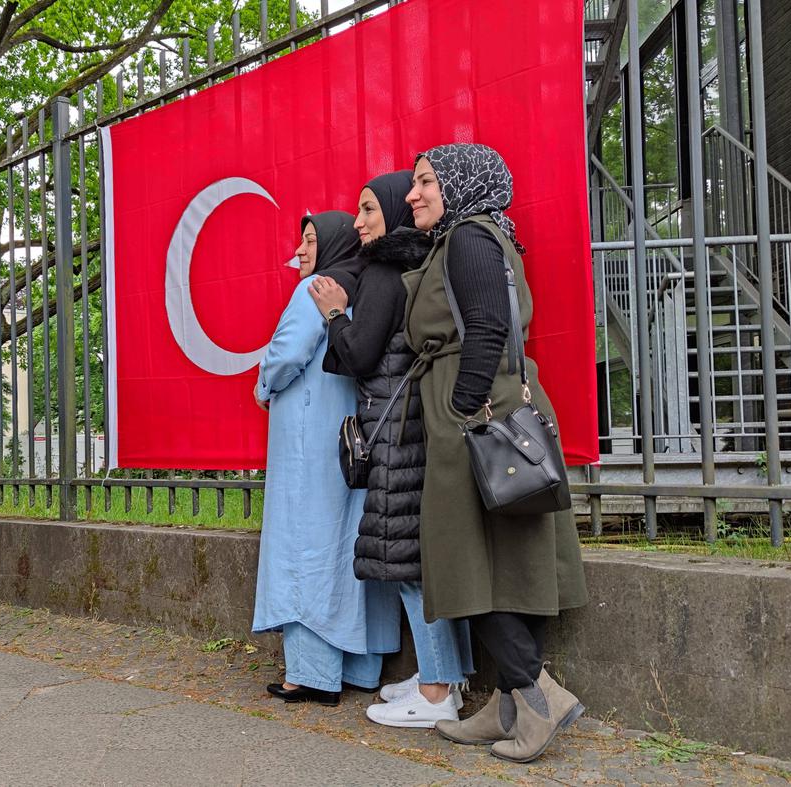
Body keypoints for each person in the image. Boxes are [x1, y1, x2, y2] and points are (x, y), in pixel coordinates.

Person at [401, 143, 588, 762]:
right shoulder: (466, 237)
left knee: (467, 560)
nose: (413, 194)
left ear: (458, 185)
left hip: (477, 411)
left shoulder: (469, 238)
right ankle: (507, 706)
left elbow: (487, 327)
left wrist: (459, 407)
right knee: (504, 563)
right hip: (487, 407)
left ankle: (537, 698)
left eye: (426, 181)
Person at [308, 171, 474, 728]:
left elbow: (358, 353)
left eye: (369, 211)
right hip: (421, 426)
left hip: (396, 432)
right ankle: (444, 674)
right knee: (427, 559)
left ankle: (435, 693)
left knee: (409, 565)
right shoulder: (423, 260)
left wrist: (335, 315)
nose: (359, 223)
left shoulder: (384, 271)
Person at [251, 211, 397, 707]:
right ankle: (360, 668)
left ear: (331, 245)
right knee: (348, 542)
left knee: (306, 544)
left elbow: (287, 355)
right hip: (352, 438)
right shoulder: (363, 290)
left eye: (311, 240)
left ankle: (312, 674)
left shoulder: (314, 289)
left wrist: (262, 385)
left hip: (308, 439)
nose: (300, 251)